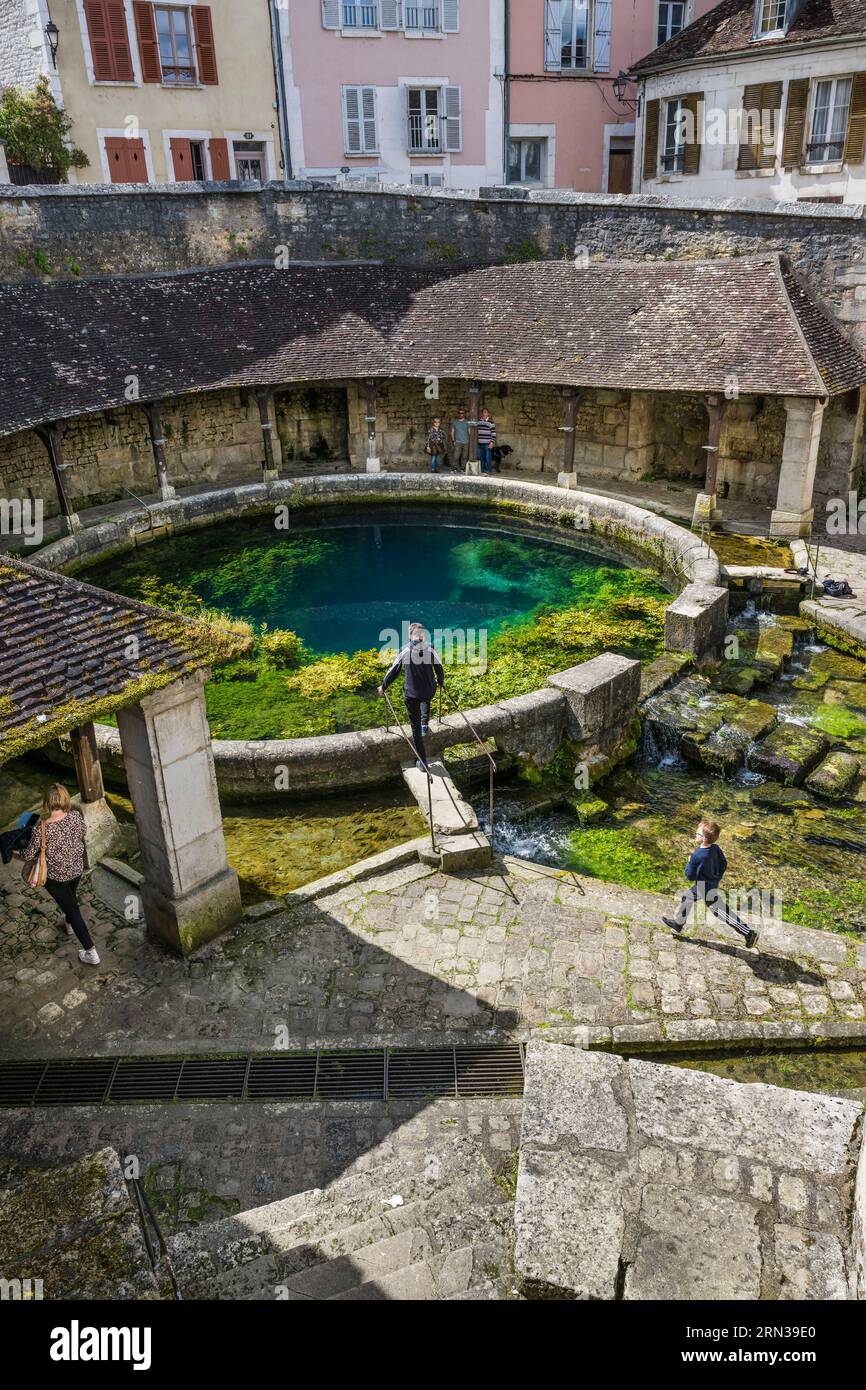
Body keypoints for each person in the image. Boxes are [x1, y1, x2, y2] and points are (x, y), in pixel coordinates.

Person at [21, 784, 99, 966]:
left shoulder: (41, 829)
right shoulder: (75, 816)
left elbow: (27, 855)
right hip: (76, 869)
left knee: (72, 908)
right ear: (65, 799)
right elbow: (83, 833)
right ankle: (68, 923)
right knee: (70, 900)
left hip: (56, 878)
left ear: (47, 803)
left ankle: (91, 952)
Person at [662, 816, 758, 949]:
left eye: (698, 832)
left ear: (704, 838)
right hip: (707, 885)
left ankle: (748, 933)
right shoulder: (716, 848)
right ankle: (678, 925)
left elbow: (689, 876)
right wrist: (716, 877)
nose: (696, 833)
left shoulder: (696, 856)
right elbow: (724, 863)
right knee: (687, 897)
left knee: (720, 911)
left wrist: (689, 861)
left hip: (706, 889)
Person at [378, 622, 445, 770]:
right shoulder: (431, 648)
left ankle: (422, 762)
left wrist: (383, 686)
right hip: (429, 692)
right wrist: (440, 682)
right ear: (423, 635)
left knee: (414, 729)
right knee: (425, 695)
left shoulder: (405, 650)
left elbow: (393, 671)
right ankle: (425, 723)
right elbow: (439, 669)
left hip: (412, 696)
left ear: (410, 635)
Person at [477, 407, 496, 475]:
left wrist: (492, 442)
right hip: (479, 443)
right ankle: (481, 471)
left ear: (488, 414)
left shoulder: (491, 422)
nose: (484, 413)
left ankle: (489, 471)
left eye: (485, 412)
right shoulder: (479, 421)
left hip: (487, 443)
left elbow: (493, 433)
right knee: (480, 458)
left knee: (488, 458)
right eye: (483, 412)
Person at [450, 407, 471, 472]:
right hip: (458, 441)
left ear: (464, 414)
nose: (461, 414)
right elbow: (452, 432)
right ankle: (454, 468)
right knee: (456, 456)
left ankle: (463, 468)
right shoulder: (455, 422)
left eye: (462, 413)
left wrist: (470, 440)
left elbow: (469, 431)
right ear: (458, 414)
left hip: (466, 441)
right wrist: (453, 440)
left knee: (464, 456)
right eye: (459, 413)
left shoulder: (467, 422)